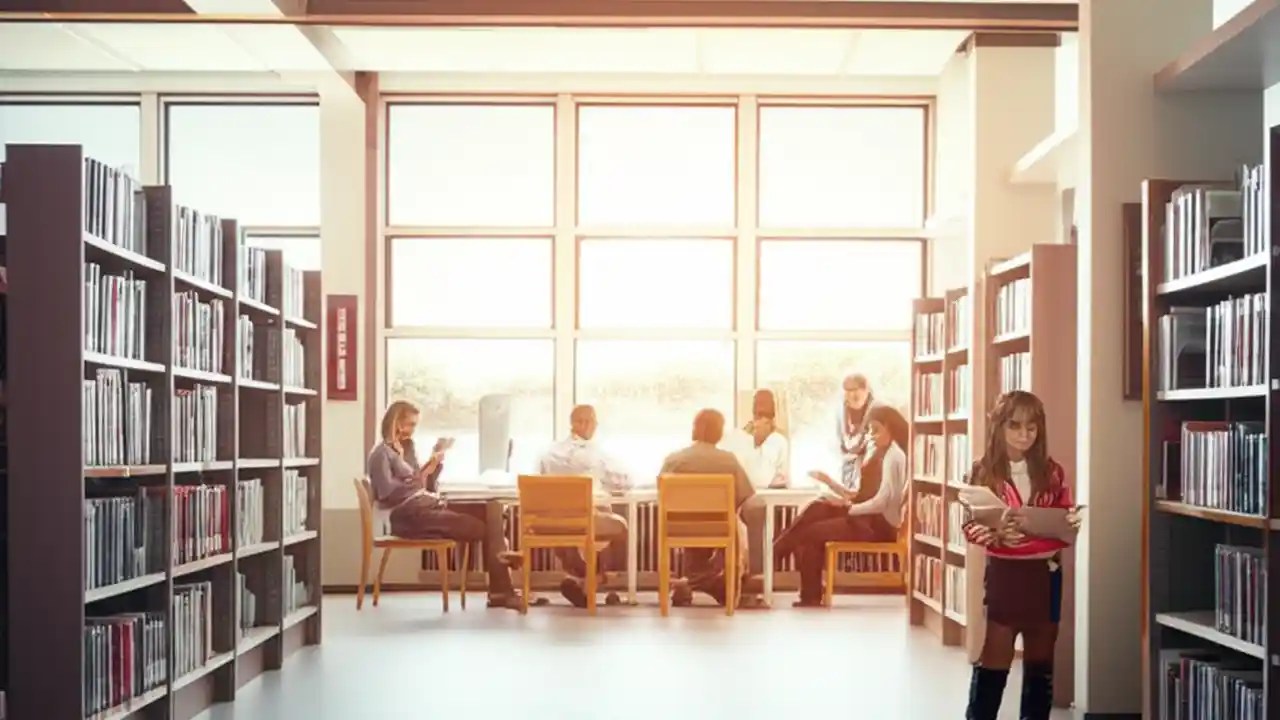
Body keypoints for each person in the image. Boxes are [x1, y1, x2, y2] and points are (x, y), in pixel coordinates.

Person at [960, 391, 1082, 720]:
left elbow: (1065, 527)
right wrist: (994, 535)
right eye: (1015, 426)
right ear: (999, 426)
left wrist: (1043, 532)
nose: (1024, 434)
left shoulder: (1053, 472)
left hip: (1046, 575)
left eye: (1032, 427)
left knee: (1041, 662)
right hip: (1005, 575)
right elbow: (970, 526)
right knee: (994, 657)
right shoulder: (982, 471)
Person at [367, 400, 525, 610]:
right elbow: (387, 492)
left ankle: (502, 580)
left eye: (414, 425)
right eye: (408, 424)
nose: (411, 431)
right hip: (405, 516)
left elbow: (422, 485)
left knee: (491, 508)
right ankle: (503, 564)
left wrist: (432, 468)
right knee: (486, 527)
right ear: (394, 423)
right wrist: (417, 476)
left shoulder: (407, 448)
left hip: (424, 505)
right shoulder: (381, 454)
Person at [773, 404, 908, 607]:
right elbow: (859, 495)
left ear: (891, 428)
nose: (872, 436)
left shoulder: (894, 456)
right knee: (817, 506)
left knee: (810, 532)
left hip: (877, 526)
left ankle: (774, 555)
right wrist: (830, 483)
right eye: (869, 431)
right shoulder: (878, 452)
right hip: (863, 516)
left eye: (876, 430)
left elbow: (882, 502)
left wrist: (847, 508)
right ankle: (791, 569)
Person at [659, 408, 766, 608]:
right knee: (735, 524)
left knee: (698, 536)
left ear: (695, 429)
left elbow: (662, 495)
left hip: (678, 528)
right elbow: (744, 497)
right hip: (719, 528)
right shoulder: (728, 460)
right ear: (719, 432)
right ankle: (712, 583)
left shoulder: (674, 460)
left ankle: (691, 582)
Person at [537, 404, 630, 608]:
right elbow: (623, 481)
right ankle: (595, 579)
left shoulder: (549, 453)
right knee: (619, 524)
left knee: (571, 529)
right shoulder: (595, 455)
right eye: (593, 421)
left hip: (550, 523)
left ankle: (578, 577)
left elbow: (538, 480)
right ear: (585, 424)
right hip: (586, 520)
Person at [836, 373, 880, 489]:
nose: (850, 395)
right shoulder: (841, 411)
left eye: (855, 391)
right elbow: (843, 443)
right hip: (848, 467)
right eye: (847, 391)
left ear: (866, 391)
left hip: (870, 469)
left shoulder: (876, 410)